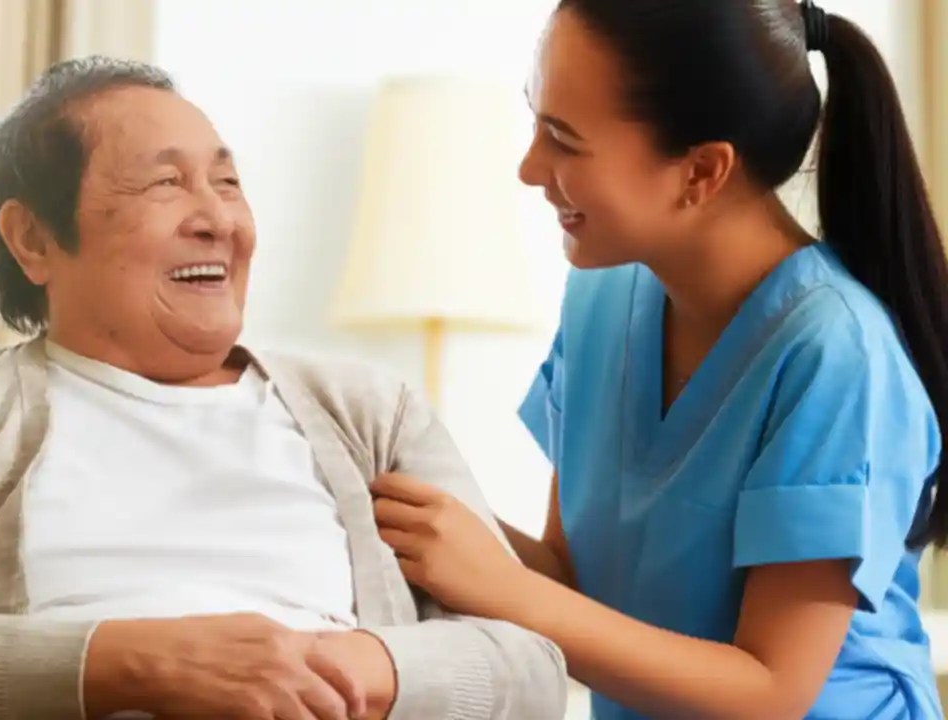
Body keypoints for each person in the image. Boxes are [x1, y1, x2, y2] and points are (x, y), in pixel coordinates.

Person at [0, 56, 567, 720]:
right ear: (34, 239)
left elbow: (530, 665)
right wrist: (142, 658)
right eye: (165, 186)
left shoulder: (365, 408)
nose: (217, 218)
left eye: (226, 183)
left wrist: (339, 666)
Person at [371, 1, 948, 718]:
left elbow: (770, 691)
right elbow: (572, 582)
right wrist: (410, 515)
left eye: (563, 139)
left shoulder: (834, 355)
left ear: (702, 171)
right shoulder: (602, 297)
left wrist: (499, 584)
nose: (529, 168)